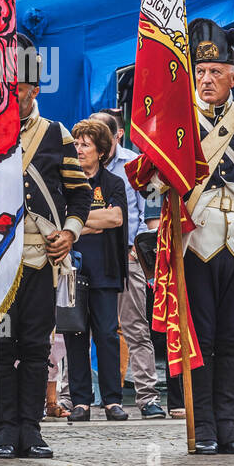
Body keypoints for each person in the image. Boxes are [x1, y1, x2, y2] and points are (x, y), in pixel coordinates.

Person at [139, 21, 234, 455]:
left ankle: (228, 427)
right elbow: (149, 185)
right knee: (197, 341)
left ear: (233, 78)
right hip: (194, 242)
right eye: (200, 72)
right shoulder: (174, 120)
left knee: (232, 343)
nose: (206, 80)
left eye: (215, 72)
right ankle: (201, 428)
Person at [0, 32, 92, 460]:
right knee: (1, 345)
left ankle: (31, 428)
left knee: (34, 345)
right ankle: (3, 428)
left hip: (39, 257)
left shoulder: (55, 133)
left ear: (34, 89)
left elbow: (79, 193)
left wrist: (70, 231)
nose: (16, 95)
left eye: (23, 89)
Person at [91, 108, 163, 418]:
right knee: (79, 328)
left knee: (135, 327)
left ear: (114, 135)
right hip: (89, 257)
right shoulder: (78, 166)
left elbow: (147, 213)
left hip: (127, 255)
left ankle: (148, 397)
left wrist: (136, 249)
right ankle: (70, 397)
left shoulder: (134, 164)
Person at [65, 118, 129, 421]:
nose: (78, 149)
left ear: (101, 151)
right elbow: (61, 219)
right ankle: (81, 401)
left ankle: (112, 400)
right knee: (75, 334)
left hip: (105, 269)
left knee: (106, 334)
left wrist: (76, 223)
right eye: (76, 143)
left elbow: (115, 219)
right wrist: (90, 222)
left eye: (85, 144)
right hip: (72, 271)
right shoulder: (65, 183)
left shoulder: (114, 183)